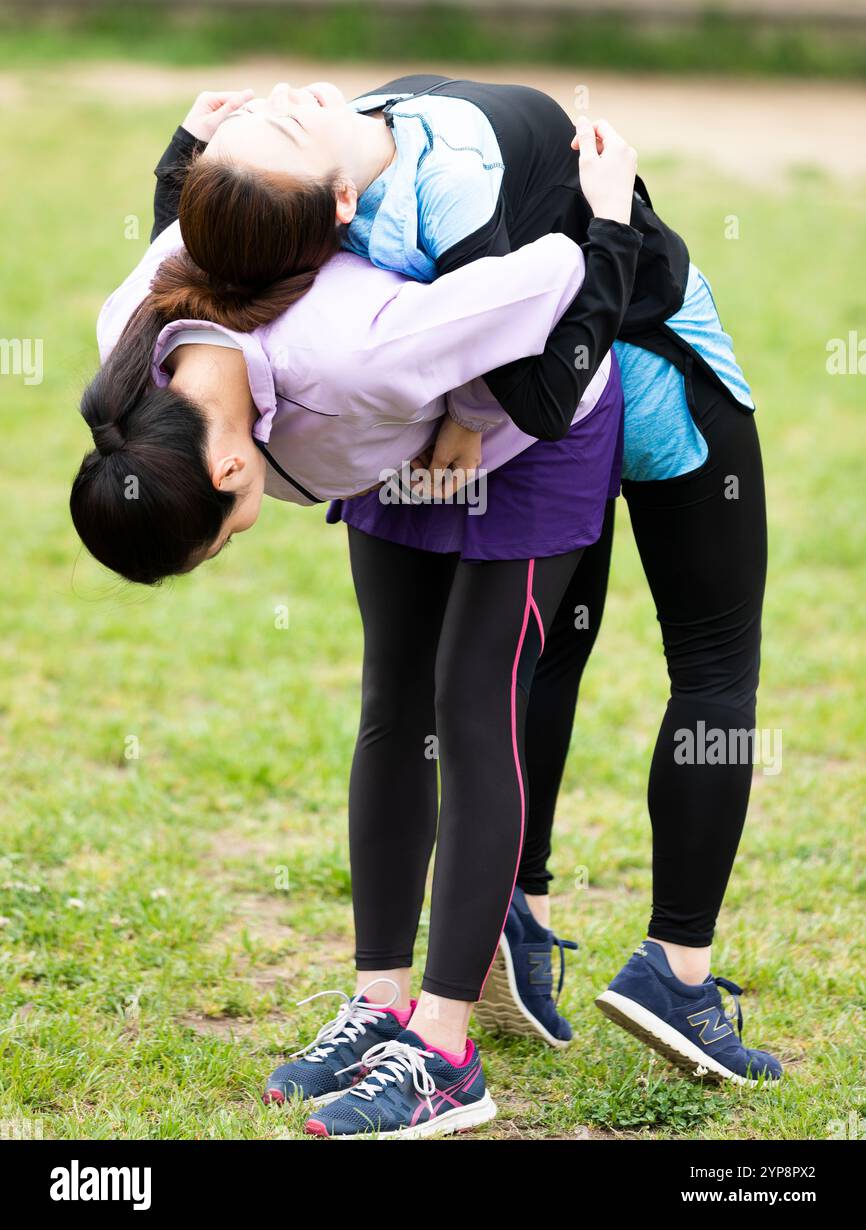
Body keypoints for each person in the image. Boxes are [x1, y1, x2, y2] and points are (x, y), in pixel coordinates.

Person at [153, 77, 782, 1092]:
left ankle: (517, 916)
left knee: (532, 658)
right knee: (709, 666)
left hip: (552, 396)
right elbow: (534, 359)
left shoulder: (290, 233)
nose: (292, 96)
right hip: (638, 367)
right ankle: (674, 968)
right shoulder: (400, 176)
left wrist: (469, 412)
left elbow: (183, 255)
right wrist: (611, 217)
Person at [71, 103, 642, 1136]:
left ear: (232, 469)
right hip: (384, 429)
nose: (244, 529)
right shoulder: (129, 349)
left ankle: (444, 1047)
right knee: (393, 699)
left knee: (473, 703)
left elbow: (551, 275)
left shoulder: (353, 356)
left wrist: (607, 218)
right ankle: (378, 1001)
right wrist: (186, 149)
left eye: (227, 530)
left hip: (520, 426)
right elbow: (183, 220)